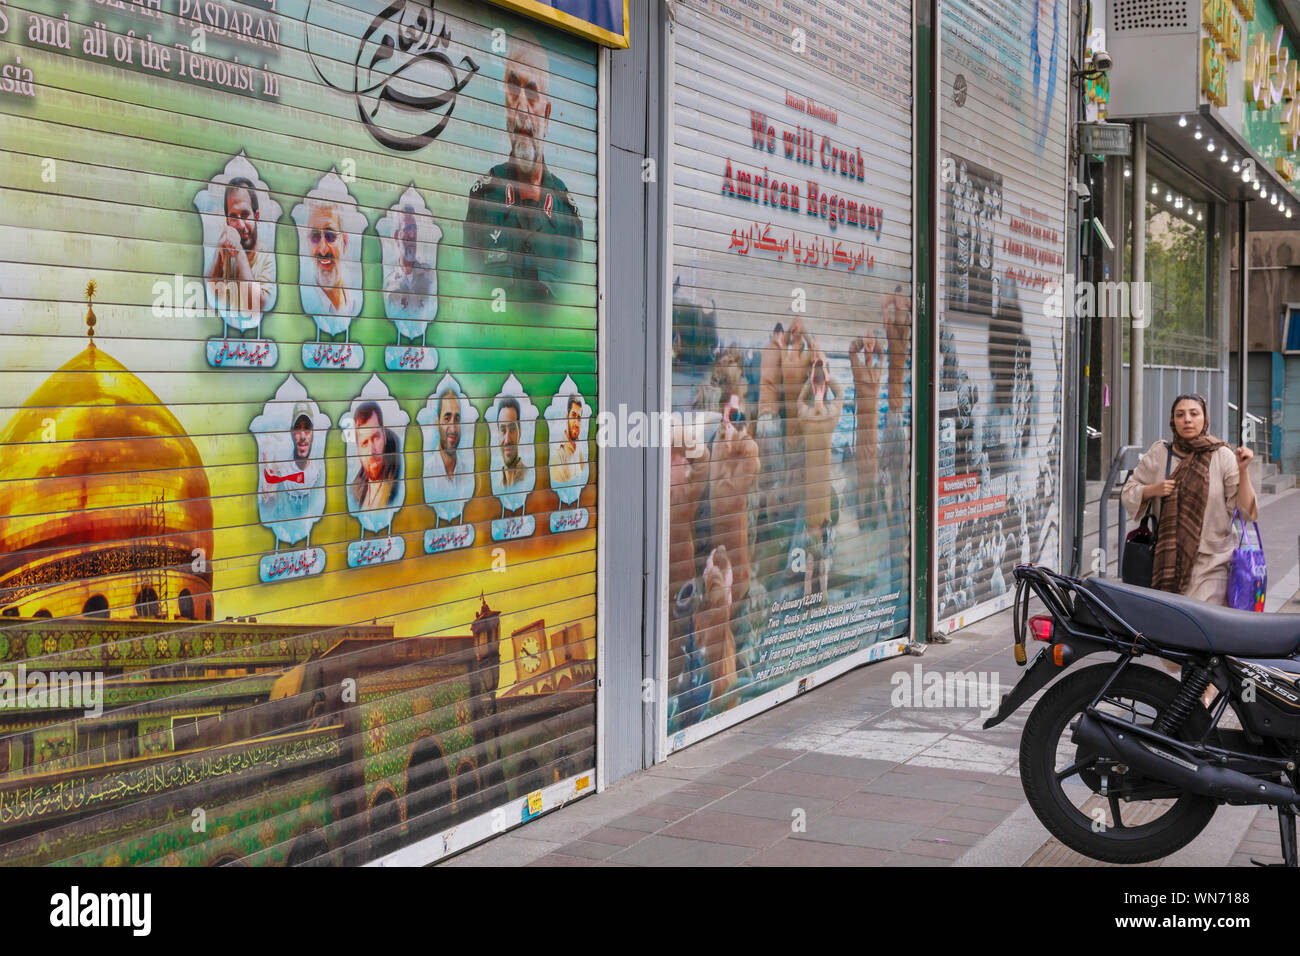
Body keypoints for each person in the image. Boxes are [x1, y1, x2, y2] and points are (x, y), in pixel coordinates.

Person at [464, 31, 582, 302]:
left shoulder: (569, 218)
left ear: (547, 115)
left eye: (532, 92)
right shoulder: (483, 200)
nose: (522, 108)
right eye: (513, 88)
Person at [1121, 393, 1258, 605]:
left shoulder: (1221, 455)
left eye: (1194, 413)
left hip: (1212, 561)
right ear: (1172, 421)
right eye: (1180, 414)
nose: (1187, 419)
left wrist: (1243, 471)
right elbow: (1128, 491)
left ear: (1205, 418)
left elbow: (1246, 512)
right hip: (1166, 561)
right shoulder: (1160, 454)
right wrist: (1152, 490)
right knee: (1171, 626)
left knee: (1201, 623)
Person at [708, 393, 760, 605]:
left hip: (734, 526)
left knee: (737, 576)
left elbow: (730, 492)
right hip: (716, 527)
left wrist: (737, 436)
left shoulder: (747, 448)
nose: (731, 418)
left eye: (737, 413)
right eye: (729, 412)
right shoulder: (720, 437)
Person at [798, 351, 843, 597]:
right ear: (824, 388)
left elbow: (799, 400)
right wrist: (827, 374)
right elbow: (843, 394)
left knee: (809, 558)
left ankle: (806, 595)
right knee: (824, 554)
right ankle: (823, 594)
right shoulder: (828, 419)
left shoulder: (806, 419)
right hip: (824, 498)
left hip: (809, 499)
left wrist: (811, 382)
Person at [207, 177, 273, 331]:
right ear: (227, 222)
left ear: (256, 217)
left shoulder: (266, 255)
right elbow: (211, 293)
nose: (241, 225)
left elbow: (258, 304)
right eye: (233, 218)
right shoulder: (226, 248)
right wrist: (219, 251)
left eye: (245, 215)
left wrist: (239, 253)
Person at [258, 403, 323, 546]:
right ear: (292, 433)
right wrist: (269, 500)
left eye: (307, 429)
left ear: (313, 433)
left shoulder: (319, 475)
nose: (302, 436)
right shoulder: (280, 475)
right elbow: (267, 519)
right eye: (298, 429)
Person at [383, 206, 438, 342]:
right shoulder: (389, 282)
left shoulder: (429, 275)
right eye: (407, 229)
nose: (412, 235)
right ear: (397, 236)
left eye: (414, 229)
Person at [304, 199, 355, 337]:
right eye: (315, 237)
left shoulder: (356, 300)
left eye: (330, 236)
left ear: (344, 242)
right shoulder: (304, 301)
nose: (323, 249)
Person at [424, 388, 475, 524]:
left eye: (457, 419)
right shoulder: (427, 472)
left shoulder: (467, 471)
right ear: (437, 422)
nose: (453, 428)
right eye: (447, 418)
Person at [848, 333, 883, 514]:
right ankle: (866, 507)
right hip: (865, 427)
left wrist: (867, 343)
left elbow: (853, 350)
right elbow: (854, 351)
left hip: (869, 428)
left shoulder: (867, 371)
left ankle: (869, 507)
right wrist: (871, 343)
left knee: (869, 465)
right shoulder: (866, 371)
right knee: (865, 466)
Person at [350, 402, 399, 514]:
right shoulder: (355, 492)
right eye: (364, 443)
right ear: (358, 450)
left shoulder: (398, 485)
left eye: (376, 438)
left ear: (384, 436)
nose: (371, 452)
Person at [549, 394, 587, 490]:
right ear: (567, 416)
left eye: (579, 418)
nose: (576, 423)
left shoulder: (580, 446)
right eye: (573, 415)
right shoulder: (558, 452)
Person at [498, 397, 527, 490]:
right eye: (503, 430)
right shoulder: (495, 485)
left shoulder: (529, 479)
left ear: (520, 431)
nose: (507, 440)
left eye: (512, 429)